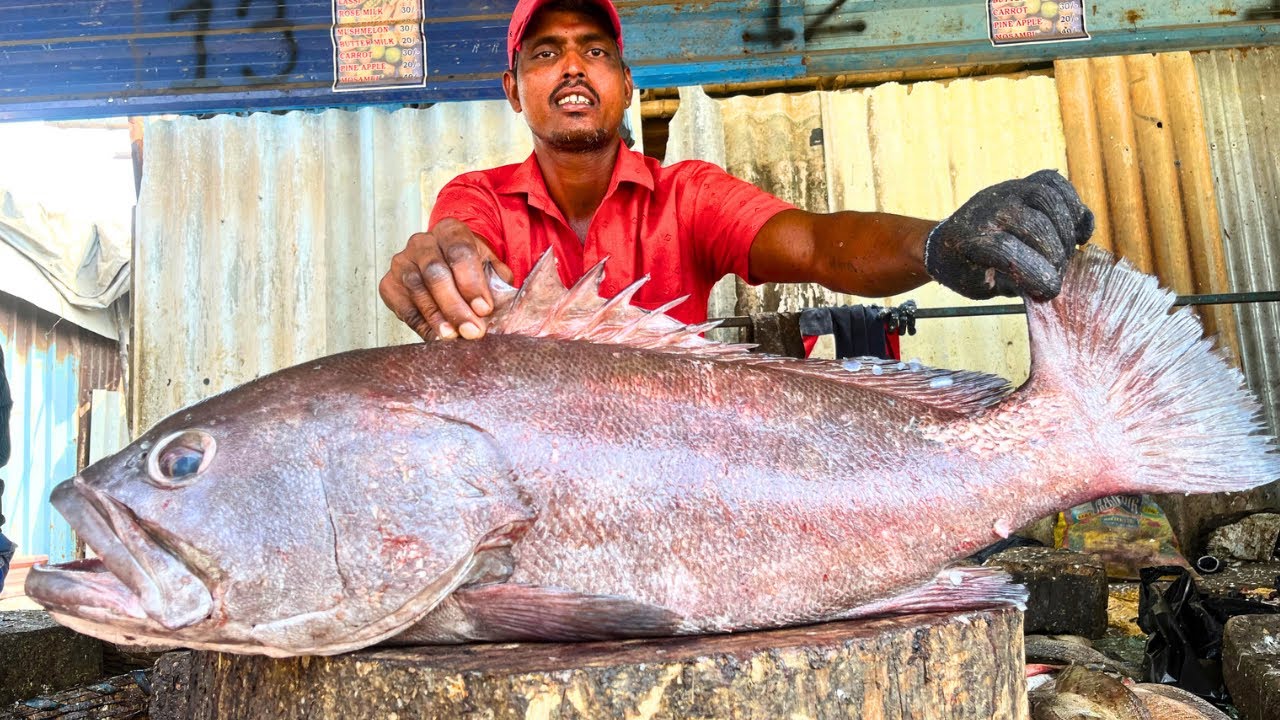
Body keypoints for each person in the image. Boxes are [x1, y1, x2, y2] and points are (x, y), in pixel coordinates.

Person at [379, 0, 1094, 341]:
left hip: (684, 465)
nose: (571, 65)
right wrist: (439, 264)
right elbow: (457, 244)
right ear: (512, 90)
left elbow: (818, 244)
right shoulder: (479, 197)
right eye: (544, 52)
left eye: (594, 50)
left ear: (627, 84)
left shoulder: (687, 196)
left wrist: (939, 245)